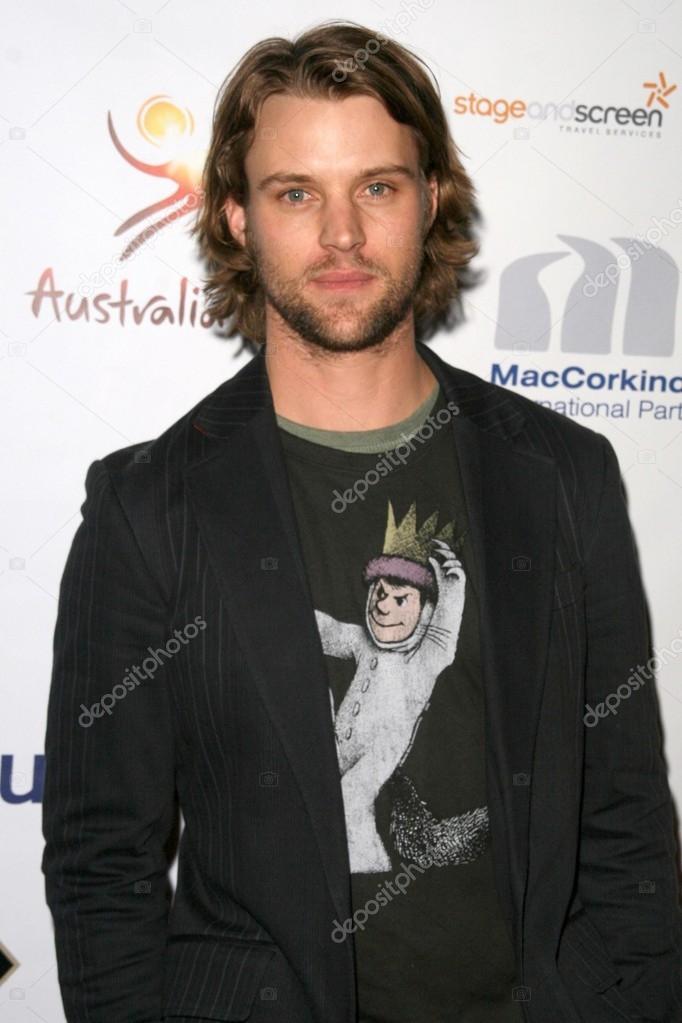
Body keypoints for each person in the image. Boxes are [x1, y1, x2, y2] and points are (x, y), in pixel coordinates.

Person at [42, 20, 682, 1023]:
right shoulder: (149, 509)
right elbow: (98, 860)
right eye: (297, 193)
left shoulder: (562, 475)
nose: (341, 236)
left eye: (376, 188)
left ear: (430, 200)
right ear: (239, 220)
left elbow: (627, 811)